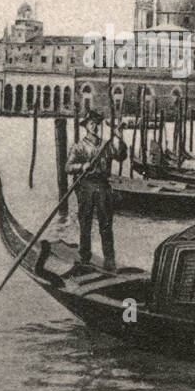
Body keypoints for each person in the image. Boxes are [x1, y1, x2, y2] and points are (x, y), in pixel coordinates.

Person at [66, 110, 128, 271]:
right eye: (91, 124)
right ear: (86, 126)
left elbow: (121, 156)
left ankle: (109, 260)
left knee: (106, 224)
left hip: (102, 187)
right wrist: (82, 166)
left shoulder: (105, 146)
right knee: (85, 222)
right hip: (85, 186)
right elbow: (68, 167)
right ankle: (84, 257)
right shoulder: (78, 147)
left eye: (96, 124)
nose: (94, 127)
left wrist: (119, 137)